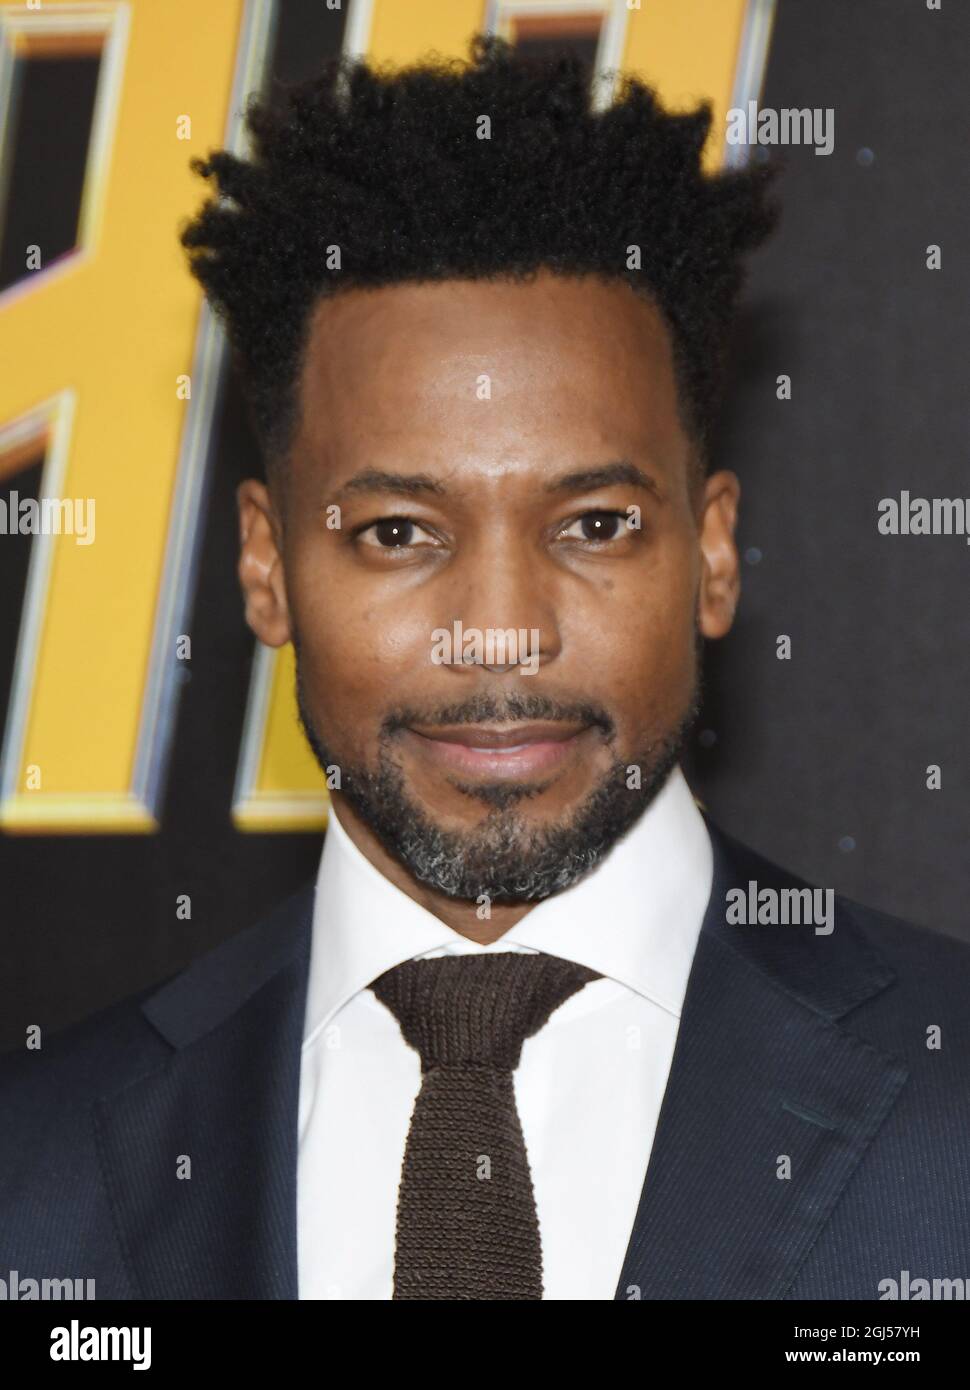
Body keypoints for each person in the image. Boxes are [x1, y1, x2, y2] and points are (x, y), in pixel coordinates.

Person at [2, 36, 968, 1302]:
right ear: (265, 568)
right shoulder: (38, 1174)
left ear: (714, 551)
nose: (500, 631)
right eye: (398, 533)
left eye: (593, 524)